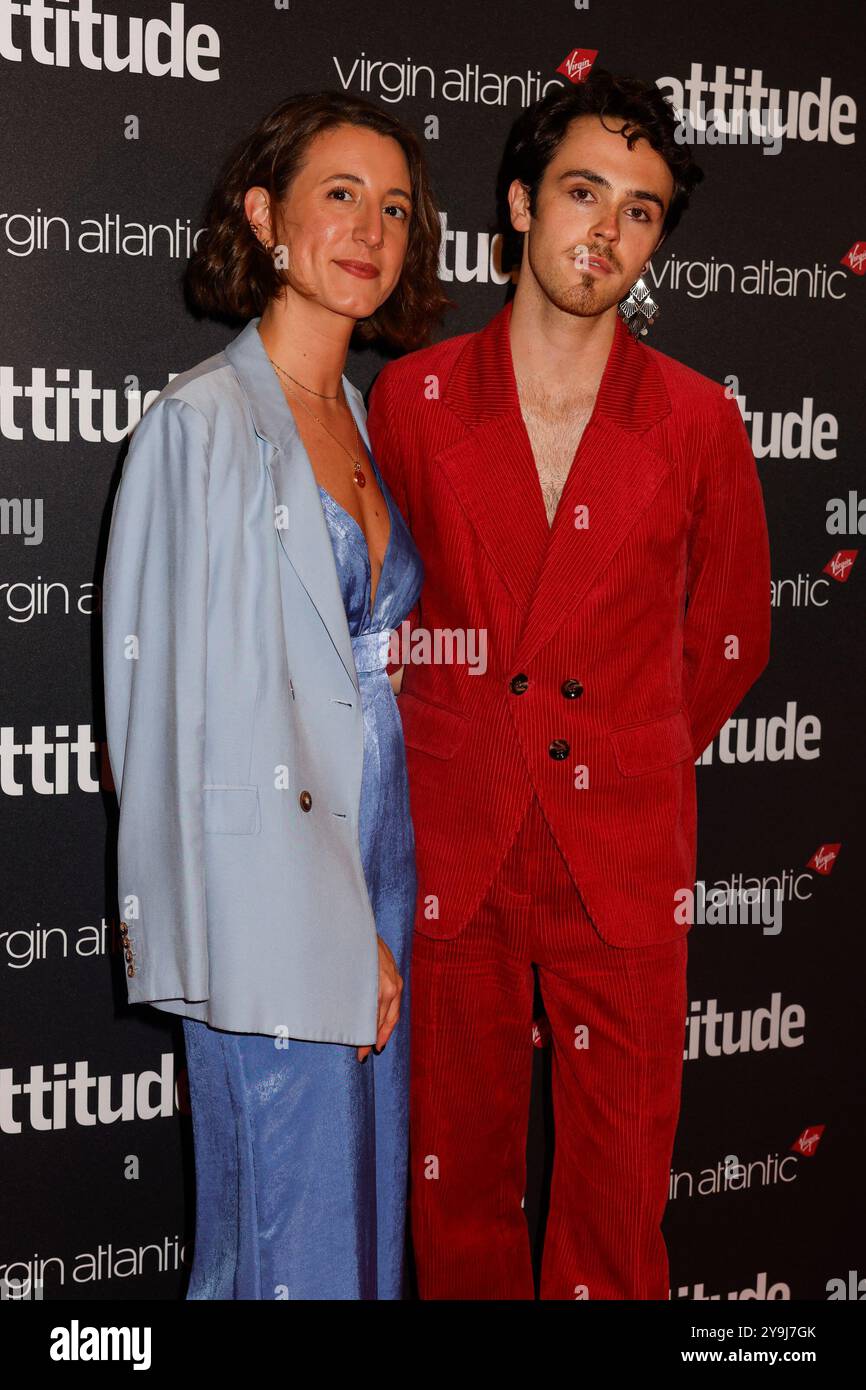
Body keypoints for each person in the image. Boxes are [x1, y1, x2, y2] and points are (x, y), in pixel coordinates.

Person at [365, 69, 772, 1299]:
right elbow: (389, 628)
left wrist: (618, 745)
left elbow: (729, 640)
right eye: (582, 192)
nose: (603, 230)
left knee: (614, 1211)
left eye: (638, 210)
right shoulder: (414, 400)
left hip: (619, 849)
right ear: (519, 205)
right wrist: (480, 722)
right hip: (457, 839)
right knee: (458, 1195)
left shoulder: (697, 420)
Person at [102, 91, 450, 1300]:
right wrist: (322, 928)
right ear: (265, 217)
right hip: (272, 902)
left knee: (356, 1225)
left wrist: (375, 904)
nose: (369, 229)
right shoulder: (199, 428)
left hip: (380, 858)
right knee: (281, 1240)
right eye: (338, 195)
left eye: (393, 206)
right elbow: (168, 735)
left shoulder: (351, 413)